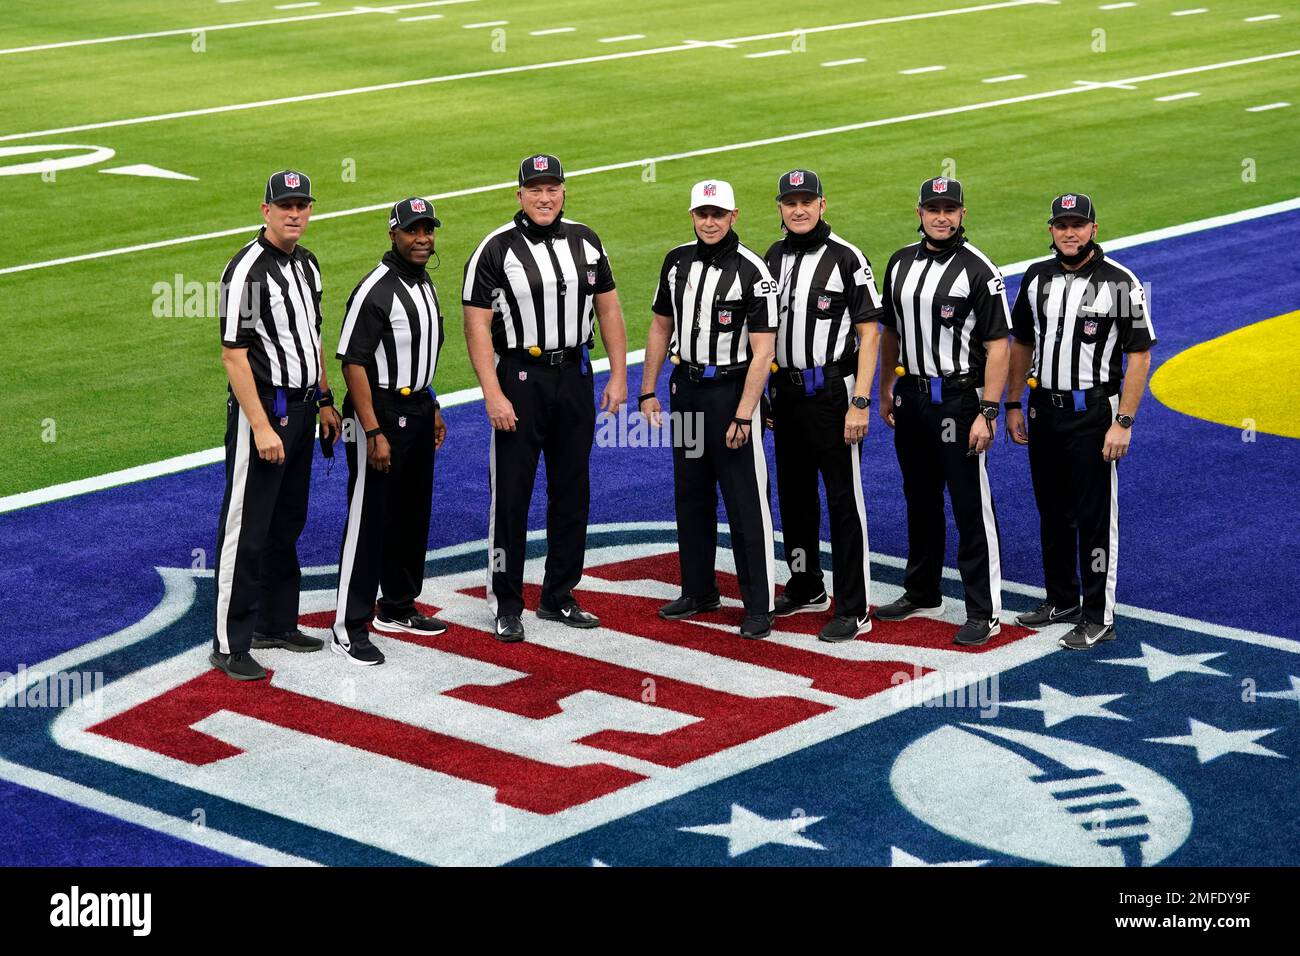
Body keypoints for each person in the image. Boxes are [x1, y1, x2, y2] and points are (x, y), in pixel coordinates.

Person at [462, 154, 628, 643]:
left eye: (552, 188)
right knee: (511, 497)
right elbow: (477, 325)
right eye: (535, 189)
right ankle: (505, 602)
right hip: (519, 377)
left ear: (563, 192)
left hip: (574, 373)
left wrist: (617, 375)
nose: (544, 197)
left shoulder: (586, 240)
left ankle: (559, 594)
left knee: (572, 490)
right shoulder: (494, 249)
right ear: (519, 195)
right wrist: (492, 393)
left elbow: (609, 308)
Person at [1006, 193, 1155, 650]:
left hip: (1094, 412)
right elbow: (1022, 345)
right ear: (1050, 229)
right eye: (1061, 224)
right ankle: (1061, 599)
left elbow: (1139, 356)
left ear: (1094, 228)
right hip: (1043, 409)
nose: (1069, 232)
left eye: (1078, 224)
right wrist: (1013, 403)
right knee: (1052, 510)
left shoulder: (1121, 282)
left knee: (1094, 516)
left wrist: (1123, 421)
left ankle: (1098, 615)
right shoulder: (1037, 277)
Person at [212, 170, 342, 680]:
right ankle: (229, 642)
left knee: (287, 521)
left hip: (305, 407)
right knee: (246, 526)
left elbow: (311, 337)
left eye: (302, 204)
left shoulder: (308, 264)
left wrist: (326, 400)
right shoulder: (245, 270)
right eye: (284, 205)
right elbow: (232, 356)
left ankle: (276, 622)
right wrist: (261, 426)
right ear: (265, 211)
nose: (294, 213)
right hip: (266, 409)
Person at [639, 179, 779, 640]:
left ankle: (759, 603)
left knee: (745, 501)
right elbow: (661, 326)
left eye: (718, 214)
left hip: (731, 392)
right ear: (692, 216)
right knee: (691, 493)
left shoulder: (754, 271)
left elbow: (763, 353)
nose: (710, 222)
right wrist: (648, 390)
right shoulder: (676, 261)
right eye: (703, 214)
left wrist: (744, 413)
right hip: (688, 389)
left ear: (734, 216)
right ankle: (698, 589)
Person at [876, 177, 1009, 646]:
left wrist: (988, 411)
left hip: (958, 398)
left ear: (962, 214)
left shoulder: (979, 269)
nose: (941, 216)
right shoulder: (899, 263)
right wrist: (886, 384)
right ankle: (922, 589)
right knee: (921, 498)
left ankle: (984, 610)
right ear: (919, 213)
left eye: (949, 209)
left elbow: (998, 347)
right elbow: (889, 329)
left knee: (970, 505)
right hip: (913, 396)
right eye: (933, 209)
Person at [764, 169, 883, 643]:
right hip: (787, 392)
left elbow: (870, 333)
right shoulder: (772, 257)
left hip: (834, 391)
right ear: (779, 207)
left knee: (843, 499)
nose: (798, 209)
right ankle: (806, 583)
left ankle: (854, 607)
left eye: (806, 201)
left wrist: (860, 401)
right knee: (794, 495)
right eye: (790, 202)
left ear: (822, 204)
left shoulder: (847, 258)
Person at [331, 198, 450, 666]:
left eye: (429, 230)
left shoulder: (423, 283)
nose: (422, 239)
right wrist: (372, 429)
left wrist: (432, 403)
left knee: (411, 512)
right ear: (393, 234)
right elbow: (353, 363)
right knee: (368, 519)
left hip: (417, 407)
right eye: (413, 231)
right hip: (379, 410)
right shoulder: (375, 289)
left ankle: (397, 606)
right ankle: (347, 625)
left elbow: (417, 354)